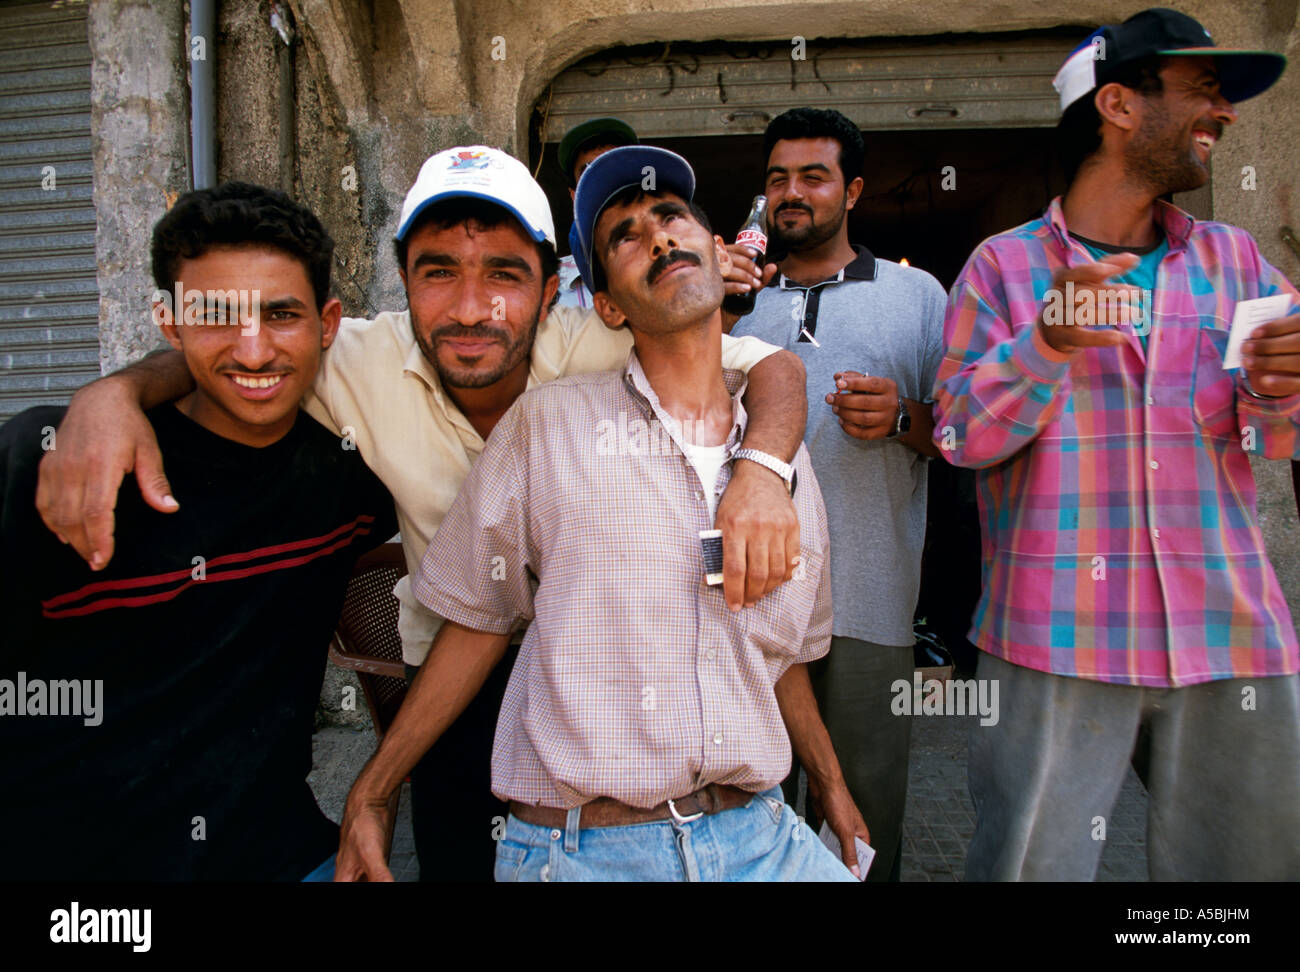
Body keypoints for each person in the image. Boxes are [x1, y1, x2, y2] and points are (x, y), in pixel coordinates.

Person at [35, 146, 810, 882]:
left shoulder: (602, 344)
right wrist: (115, 393)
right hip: (450, 673)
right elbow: (244, 345)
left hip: (595, 673)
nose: (471, 309)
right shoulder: (356, 358)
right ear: (402, 281)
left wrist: (764, 473)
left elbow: (767, 366)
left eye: (504, 274)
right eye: (438, 272)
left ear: (552, 290)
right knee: (458, 859)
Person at [336, 145, 866, 882]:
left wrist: (833, 787)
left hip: (761, 834)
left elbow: (776, 658)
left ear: (720, 257)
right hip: (585, 849)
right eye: (624, 236)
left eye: (672, 217)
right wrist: (374, 787)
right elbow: (478, 621)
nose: (656, 237)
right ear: (607, 306)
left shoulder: (783, 461)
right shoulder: (548, 425)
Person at [932, 7, 1300, 880]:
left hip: (1229, 636)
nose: (1227, 114)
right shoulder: (1003, 268)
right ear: (1120, 105)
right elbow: (954, 437)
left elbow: (1274, 438)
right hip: (1055, 637)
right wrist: (1047, 343)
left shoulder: (1238, 263)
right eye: (1205, 92)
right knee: (1030, 868)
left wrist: (1282, 385)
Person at [0, 182, 397, 881]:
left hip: (281, 854)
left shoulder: (349, 473)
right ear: (170, 323)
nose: (253, 351)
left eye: (281, 315)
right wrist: (111, 395)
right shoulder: (56, 463)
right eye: (216, 316)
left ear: (327, 323)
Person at [725, 107, 948, 881]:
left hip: (867, 601)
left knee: (862, 819)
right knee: (746, 814)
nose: (792, 193)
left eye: (813, 177)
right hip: (742, 601)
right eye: (778, 178)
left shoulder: (916, 295)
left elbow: (969, 432)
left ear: (852, 191)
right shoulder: (732, 298)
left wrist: (904, 417)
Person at [555, 116, 639, 308]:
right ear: (575, 195)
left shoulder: (672, 261)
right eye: (589, 171)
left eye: (614, 166)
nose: (605, 179)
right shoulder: (550, 288)